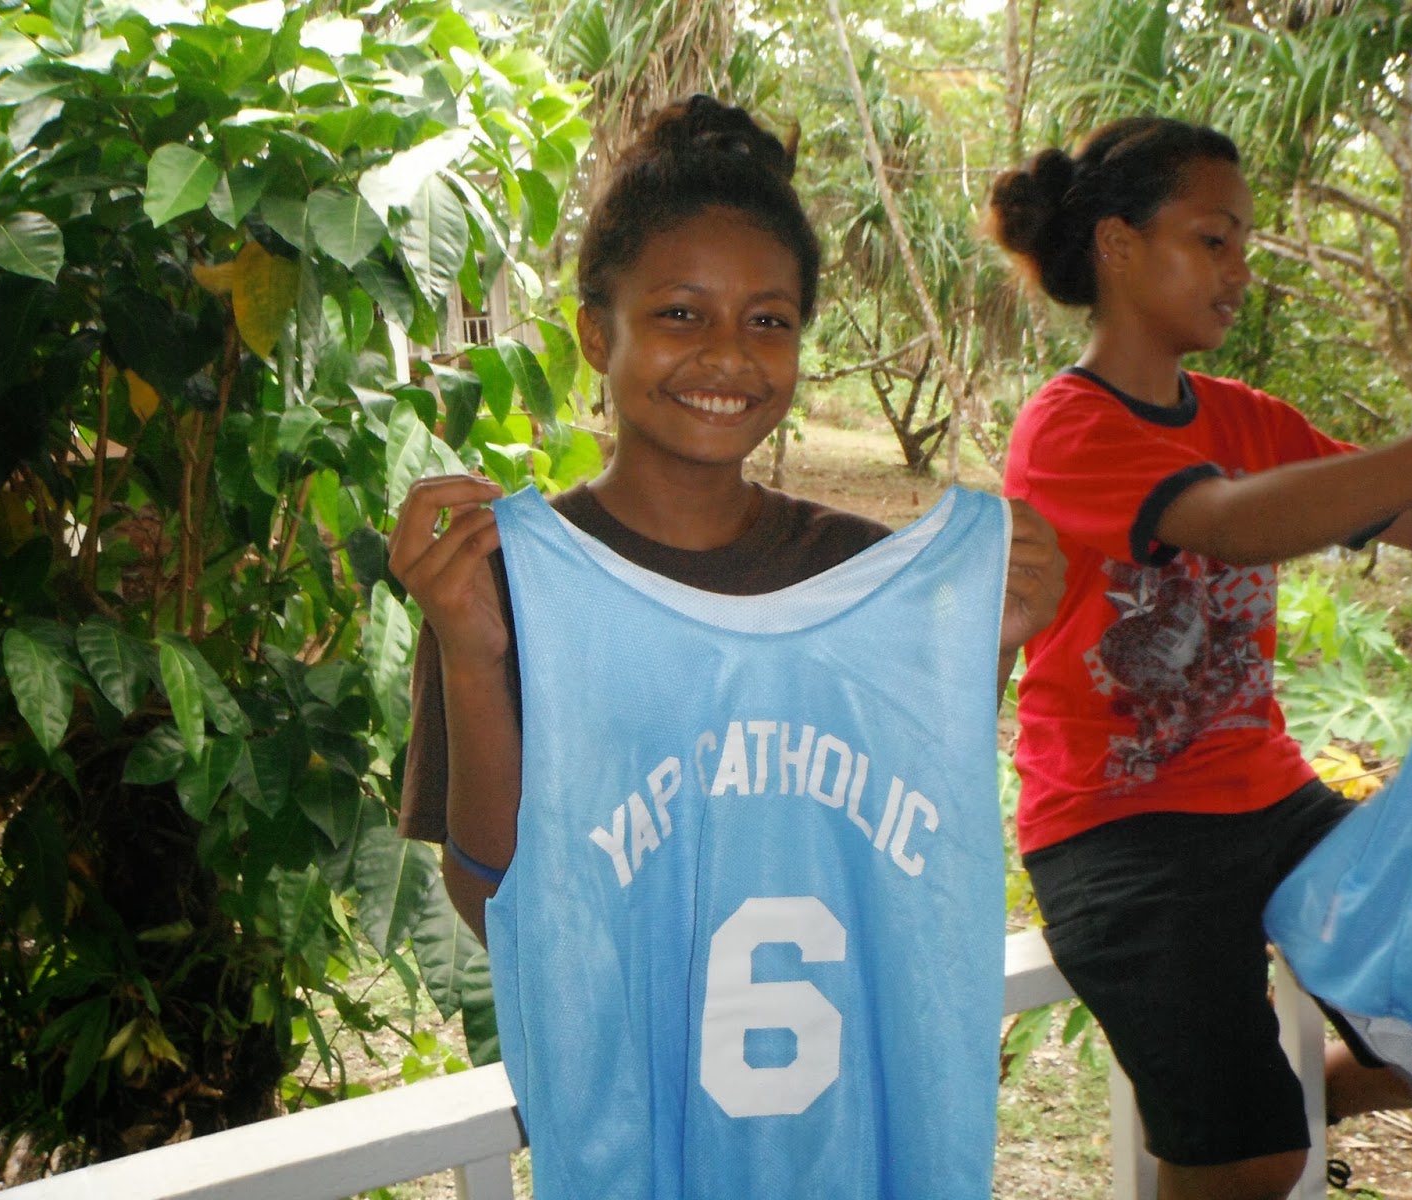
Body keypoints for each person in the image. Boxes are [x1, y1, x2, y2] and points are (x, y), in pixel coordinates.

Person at [389, 95, 1063, 1198]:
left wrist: (978, 649)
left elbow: (907, 842)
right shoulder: (506, 581)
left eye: (769, 320)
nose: (728, 356)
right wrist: (470, 656)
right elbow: (498, 903)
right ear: (593, 333)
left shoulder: (866, 573)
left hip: (855, 1146)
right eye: (680, 314)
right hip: (639, 1139)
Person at [987, 115, 1412, 1200]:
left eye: (1243, 244)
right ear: (1117, 247)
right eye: (1212, 239)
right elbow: (1227, 524)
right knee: (1255, 1162)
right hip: (1117, 833)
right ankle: (1267, 1130)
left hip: (1270, 804)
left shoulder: (1245, 417)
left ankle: (1309, 1098)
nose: (1239, 270)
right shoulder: (1064, 428)